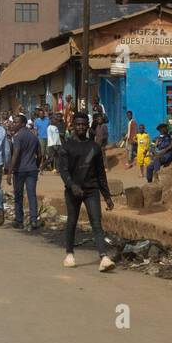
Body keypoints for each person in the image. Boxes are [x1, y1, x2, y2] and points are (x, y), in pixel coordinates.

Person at [56, 111, 115, 271]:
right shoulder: (67, 146)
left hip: (91, 190)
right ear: (73, 126)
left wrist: (107, 196)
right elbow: (63, 169)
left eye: (83, 124)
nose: (81, 127)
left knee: (96, 222)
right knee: (72, 221)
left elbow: (100, 174)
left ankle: (103, 257)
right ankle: (69, 254)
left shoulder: (94, 147)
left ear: (88, 126)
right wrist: (72, 185)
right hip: (72, 191)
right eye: (78, 124)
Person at [7, 114, 41, 230]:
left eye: (16, 122)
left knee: (18, 195)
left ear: (22, 124)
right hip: (32, 170)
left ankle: (19, 220)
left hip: (19, 171)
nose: (13, 124)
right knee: (31, 195)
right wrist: (36, 166)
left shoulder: (18, 137)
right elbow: (40, 155)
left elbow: (15, 155)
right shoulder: (34, 137)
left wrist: (9, 172)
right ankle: (33, 220)